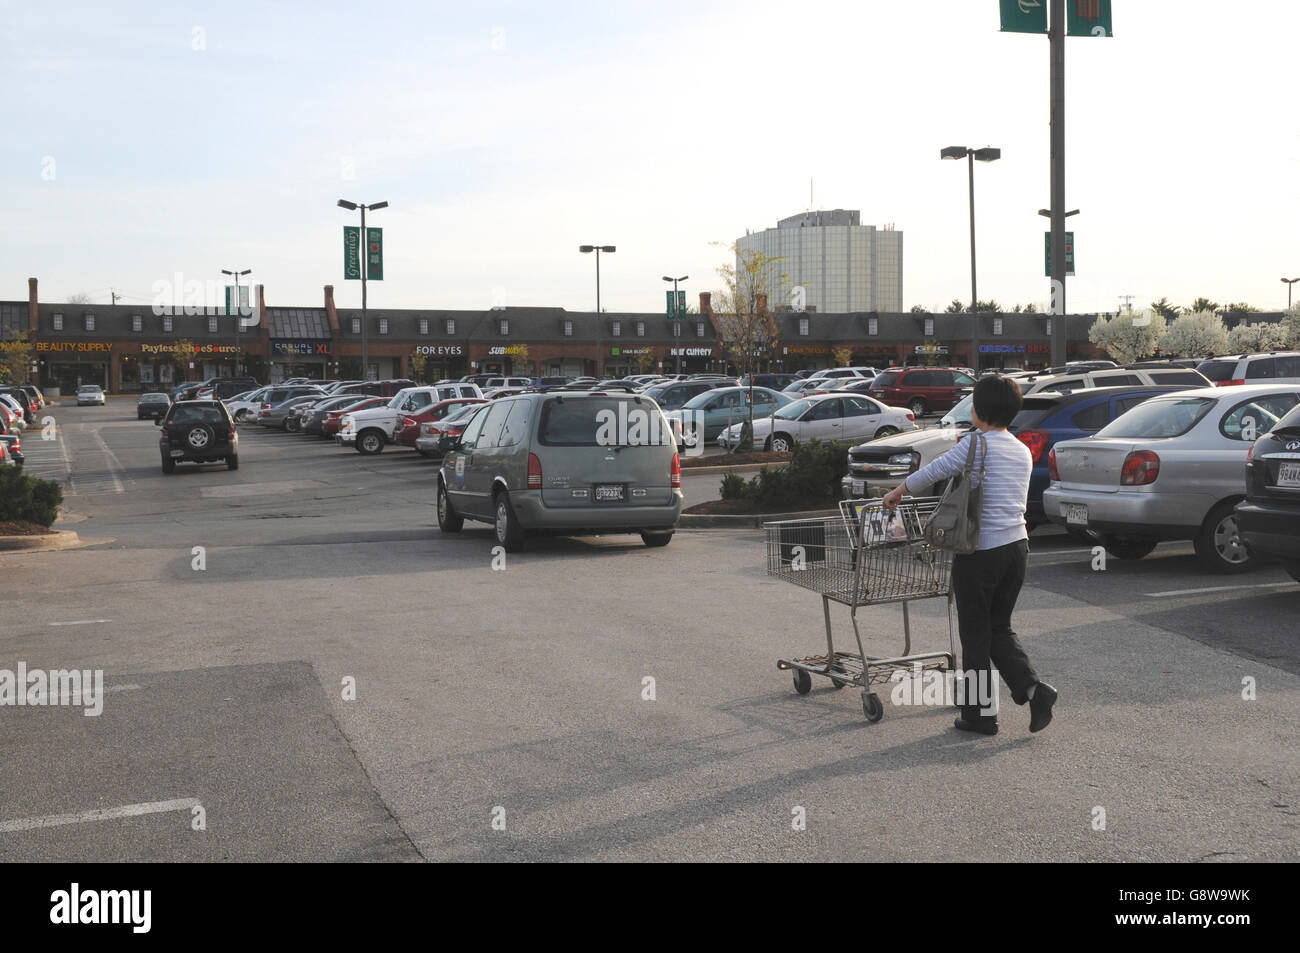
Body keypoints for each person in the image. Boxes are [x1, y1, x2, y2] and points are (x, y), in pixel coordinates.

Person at [881, 374, 1057, 736]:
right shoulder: (1021, 449)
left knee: (976, 635)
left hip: (980, 553)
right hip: (1017, 549)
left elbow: (935, 470)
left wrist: (898, 491)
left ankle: (979, 716)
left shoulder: (976, 445)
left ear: (978, 411)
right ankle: (1034, 691)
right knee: (998, 628)